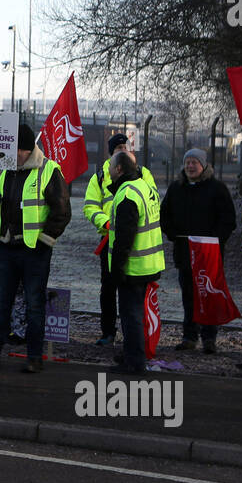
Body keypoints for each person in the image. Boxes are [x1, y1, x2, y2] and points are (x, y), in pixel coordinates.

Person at [0, 123, 71, 372]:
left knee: (34, 305)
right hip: (6, 248)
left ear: (24, 150)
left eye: (12, 148)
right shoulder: (4, 170)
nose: (7, 152)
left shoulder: (48, 170)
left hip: (34, 251)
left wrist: (45, 241)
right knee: (0, 305)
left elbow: (62, 211)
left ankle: (34, 358)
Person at [82, 133, 158, 349]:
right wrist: (106, 223)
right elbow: (90, 206)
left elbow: (152, 201)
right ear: (111, 153)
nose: (123, 150)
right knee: (108, 288)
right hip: (109, 239)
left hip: (137, 239)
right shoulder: (100, 176)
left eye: (126, 147)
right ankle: (109, 332)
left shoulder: (143, 174)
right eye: (119, 148)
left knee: (132, 294)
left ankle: (134, 339)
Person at [160, 147, 237, 353]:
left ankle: (209, 338)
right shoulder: (176, 188)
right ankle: (189, 336)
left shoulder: (217, 189)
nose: (190, 166)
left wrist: (214, 240)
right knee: (188, 297)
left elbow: (228, 220)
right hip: (185, 253)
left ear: (203, 165)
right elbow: (164, 215)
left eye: (194, 162)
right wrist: (172, 233)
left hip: (209, 255)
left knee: (209, 295)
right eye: (187, 162)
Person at [103, 151, 164, 374]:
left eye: (111, 166)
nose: (108, 169)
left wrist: (117, 269)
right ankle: (132, 354)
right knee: (135, 314)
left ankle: (135, 363)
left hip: (134, 266)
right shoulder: (144, 187)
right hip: (149, 262)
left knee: (131, 316)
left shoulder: (127, 194)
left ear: (119, 169)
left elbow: (124, 238)